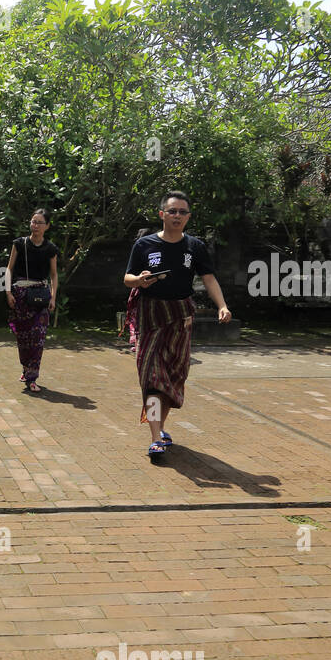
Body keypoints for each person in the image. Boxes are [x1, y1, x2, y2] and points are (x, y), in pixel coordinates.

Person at [123, 190, 231, 463]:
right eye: (172, 211)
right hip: (150, 316)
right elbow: (127, 278)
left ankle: (159, 427)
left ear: (188, 217)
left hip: (181, 317)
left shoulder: (195, 247)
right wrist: (140, 280)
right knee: (151, 376)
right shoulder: (144, 245)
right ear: (162, 214)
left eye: (183, 212)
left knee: (173, 376)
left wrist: (222, 305)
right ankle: (156, 438)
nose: (177, 216)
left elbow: (209, 278)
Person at [4, 209, 59, 393]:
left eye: (39, 222)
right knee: (24, 337)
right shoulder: (19, 244)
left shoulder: (50, 248)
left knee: (38, 337)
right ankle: (26, 368)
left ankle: (32, 378)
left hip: (41, 297)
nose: (35, 225)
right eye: (33, 221)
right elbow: (9, 268)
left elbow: (54, 274)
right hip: (21, 295)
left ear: (47, 226)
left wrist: (53, 296)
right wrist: (8, 291)